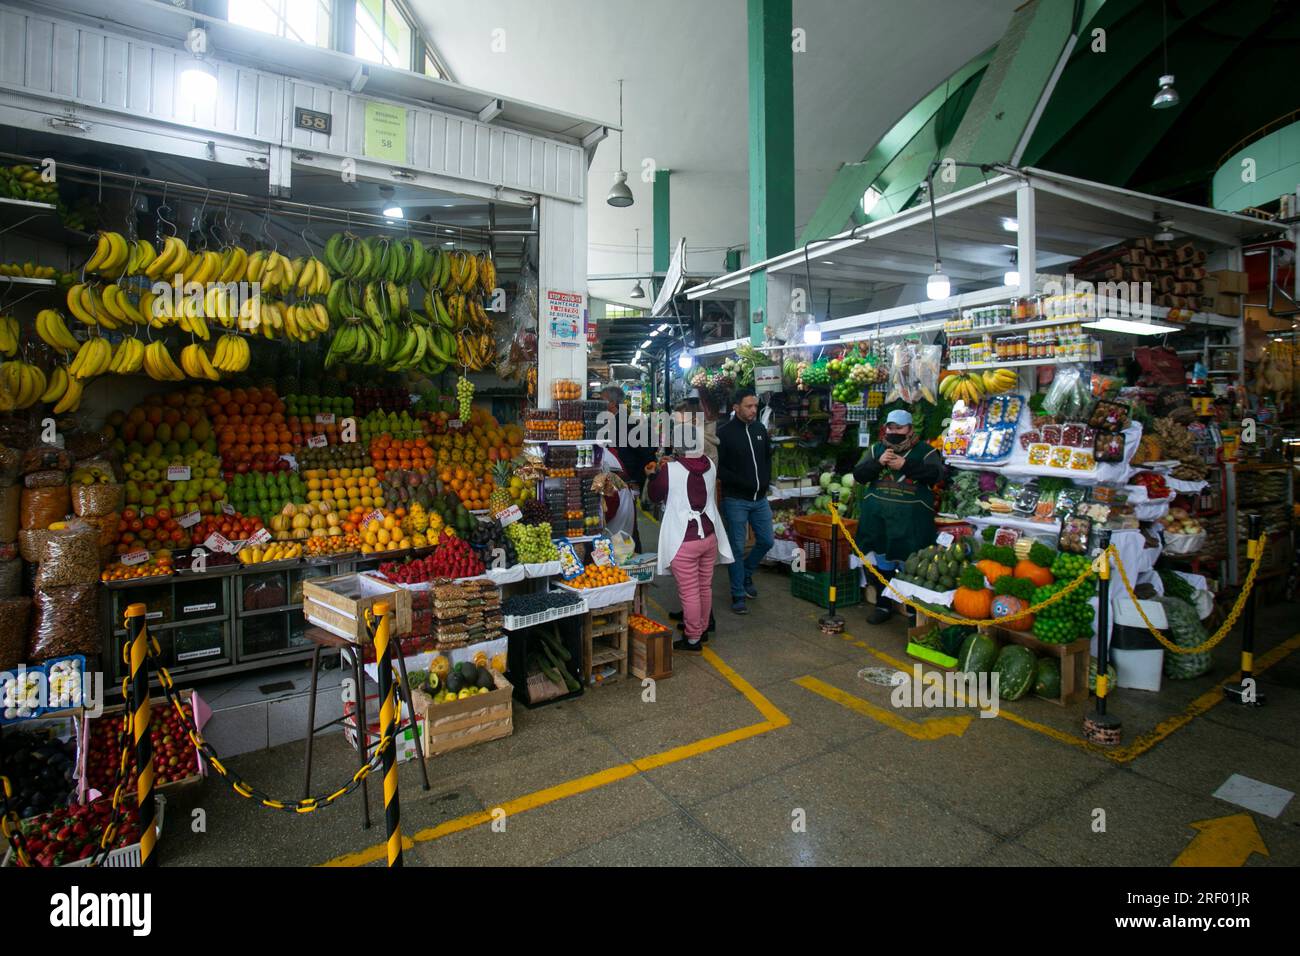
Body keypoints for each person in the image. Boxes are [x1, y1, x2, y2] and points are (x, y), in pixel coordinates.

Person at [647, 412, 732, 651]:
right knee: (705, 586)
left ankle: (693, 638)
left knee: (689, 592)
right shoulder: (711, 466)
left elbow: (655, 495)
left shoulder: (671, 470)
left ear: (677, 445)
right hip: (709, 536)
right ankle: (702, 629)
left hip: (684, 540)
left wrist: (652, 476)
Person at [853, 409, 944, 625]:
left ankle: (914, 611)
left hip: (911, 523)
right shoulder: (877, 449)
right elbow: (859, 474)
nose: (894, 432)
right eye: (891, 428)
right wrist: (878, 463)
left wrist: (905, 466)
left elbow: (936, 475)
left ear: (910, 429)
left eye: (900, 428)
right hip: (878, 521)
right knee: (881, 563)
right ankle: (883, 604)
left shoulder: (926, 451)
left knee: (911, 565)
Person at [715, 388, 774, 614]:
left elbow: (767, 458)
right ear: (736, 407)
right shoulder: (725, 433)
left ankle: (747, 572)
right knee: (737, 548)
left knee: (767, 541)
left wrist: (766, 481)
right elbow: (720, 468)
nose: (753, 410)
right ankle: (738, 593)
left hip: (760, 499)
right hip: (736, 500)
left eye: (755, 406)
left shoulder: (760, 429)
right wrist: (741, 482)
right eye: (748, 406)